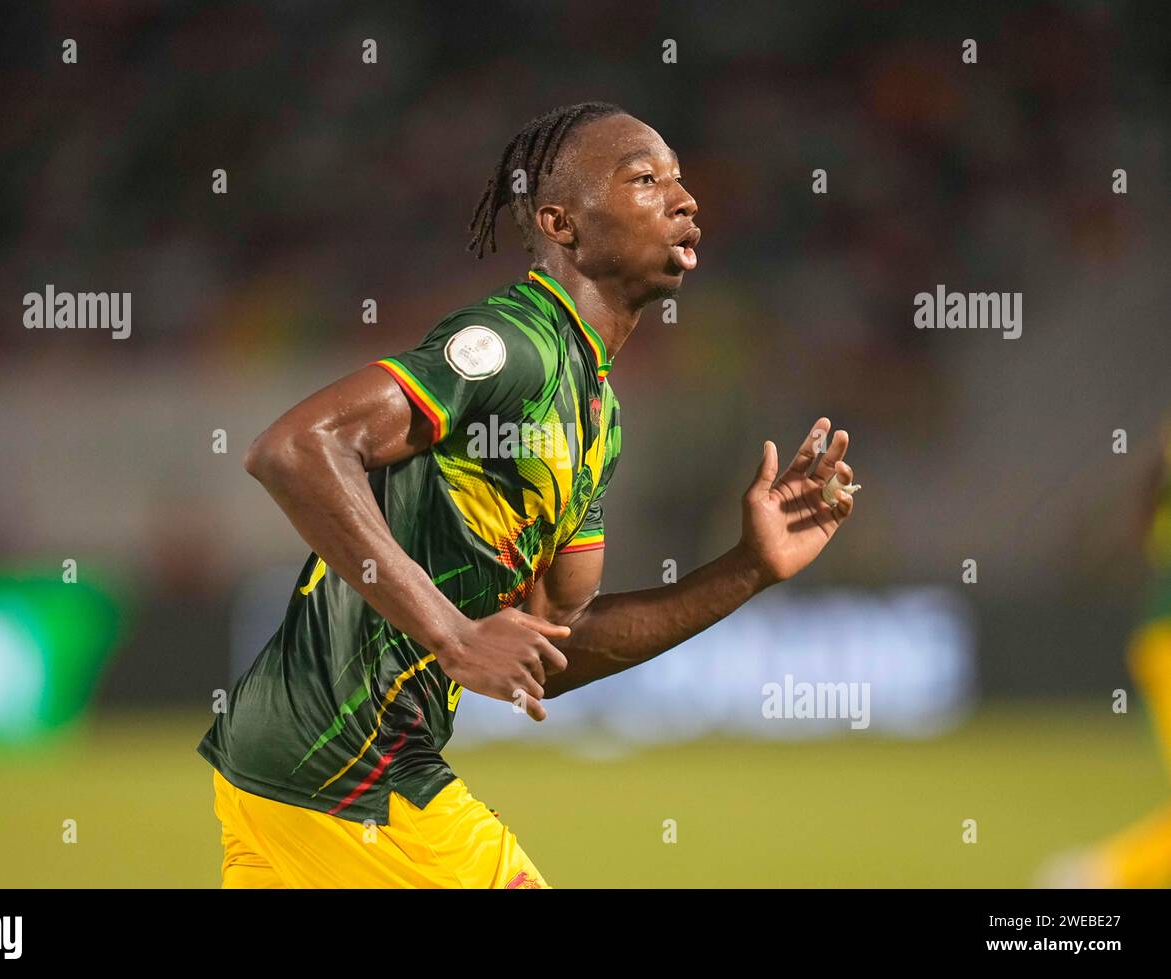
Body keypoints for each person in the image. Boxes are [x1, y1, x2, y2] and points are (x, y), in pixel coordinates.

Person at [197, 101, 859, 888]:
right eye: (646, 179)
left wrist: (747, 568)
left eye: (681, 181)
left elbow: (549, 646)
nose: (684, 200)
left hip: (284, 769)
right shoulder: (512, 346)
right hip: (349, 776)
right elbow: (296, 447)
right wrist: (451, 632)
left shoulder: (596, 415)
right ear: (562, 223)